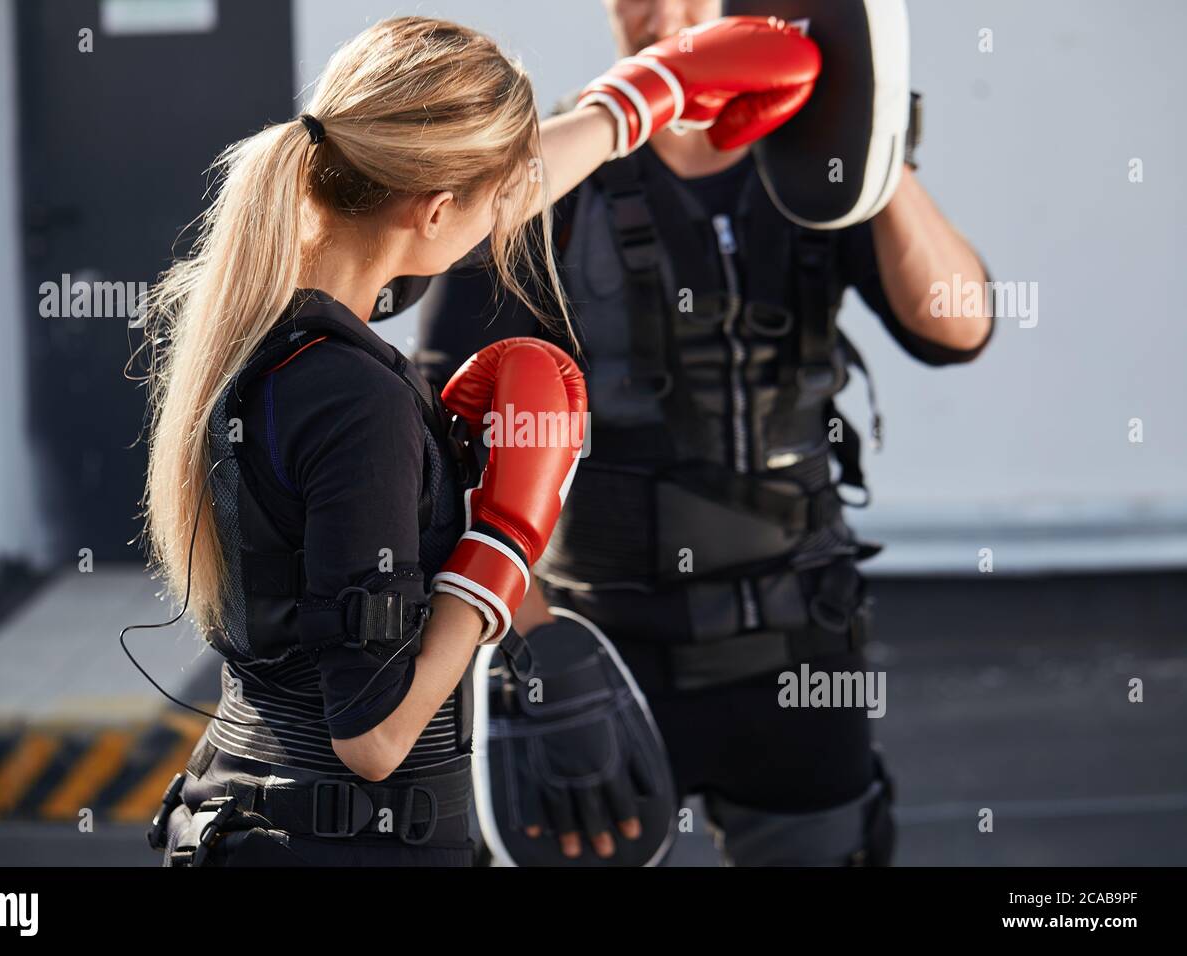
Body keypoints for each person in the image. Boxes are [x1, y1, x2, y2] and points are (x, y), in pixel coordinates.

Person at [139, 14, 792, 866]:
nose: (504, 223)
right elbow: (372, 736)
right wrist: (502, 549)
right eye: (490, 206)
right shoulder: (357, 400)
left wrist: (636, 101)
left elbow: (471, 186)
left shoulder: (258, 319)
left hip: (257, 812)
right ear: (438, 208)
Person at [417, 0, 994, 866]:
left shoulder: (813, 170)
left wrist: (865, 137)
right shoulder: (545, 178)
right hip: (602, 649)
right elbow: (442, 446)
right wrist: (539, 650)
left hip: (798, 646)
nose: (664, 13)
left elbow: (959, 326)